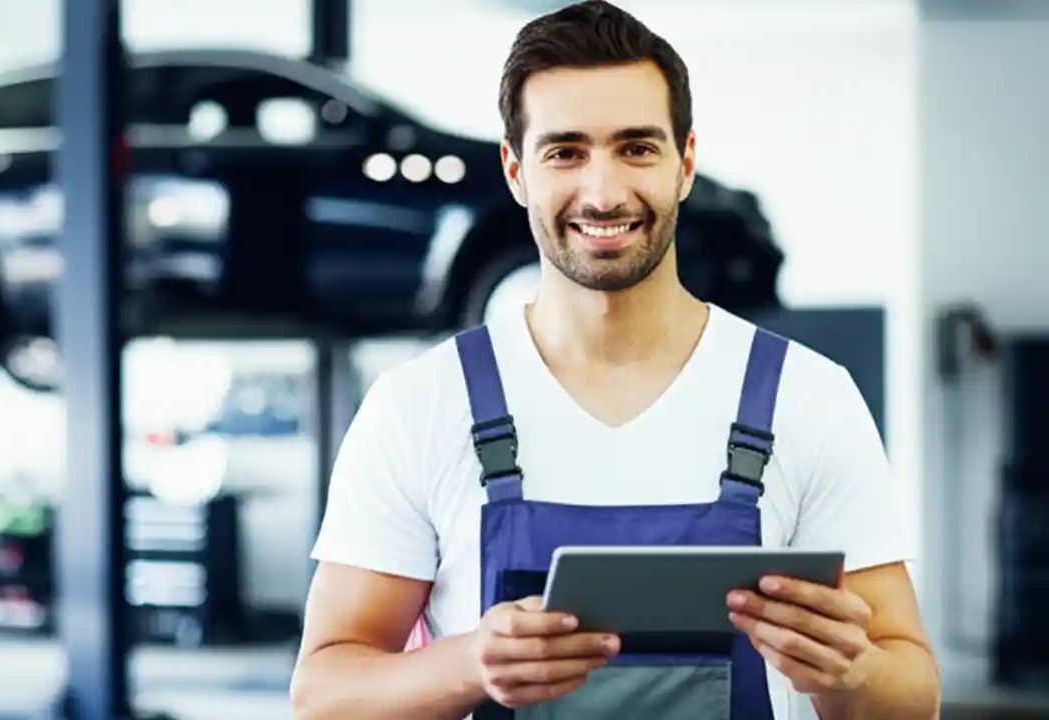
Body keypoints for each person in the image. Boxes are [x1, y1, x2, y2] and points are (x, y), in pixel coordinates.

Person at [290, 2, 940, 719]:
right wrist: (468, 663)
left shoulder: (807, 399)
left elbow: (913, 698)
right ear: (515, 171)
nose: (603, 192)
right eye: (565, 151)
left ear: (686, 162)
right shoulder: (419, 405)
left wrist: (847, 676)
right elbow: (323, 697)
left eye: (636, 148)